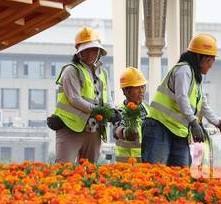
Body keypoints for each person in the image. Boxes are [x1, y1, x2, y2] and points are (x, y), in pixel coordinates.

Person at [144, 33, 221, 166]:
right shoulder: (184, 70)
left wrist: (219, 124)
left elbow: (203, 105)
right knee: (156, 172)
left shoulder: (196, 80)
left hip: (178, 130)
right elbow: (181, 97)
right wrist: (194, 123)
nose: (210, 66)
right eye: (209, 61)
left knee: (180, 175)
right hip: (159, 126)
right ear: (199, 57)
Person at [50, 26, 113, 164]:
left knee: (89, 170)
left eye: (94, 50)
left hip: (94, 128)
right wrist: (97, 110)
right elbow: (75, 99)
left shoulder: (103, 73)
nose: (91, 54)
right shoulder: (71, 71)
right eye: (87, 50)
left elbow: (107, 98)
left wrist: (112, 111)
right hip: (70, 128)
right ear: (79, 52)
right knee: (64, 168)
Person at [113, 67, 148, 163]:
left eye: (142, 87)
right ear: (125, 91)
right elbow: (117, 130)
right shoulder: (120, 111)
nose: (141, 91)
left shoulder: (146, 108)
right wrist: (124, 133)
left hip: (145, 165)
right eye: (137, 87)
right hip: (125, 167)